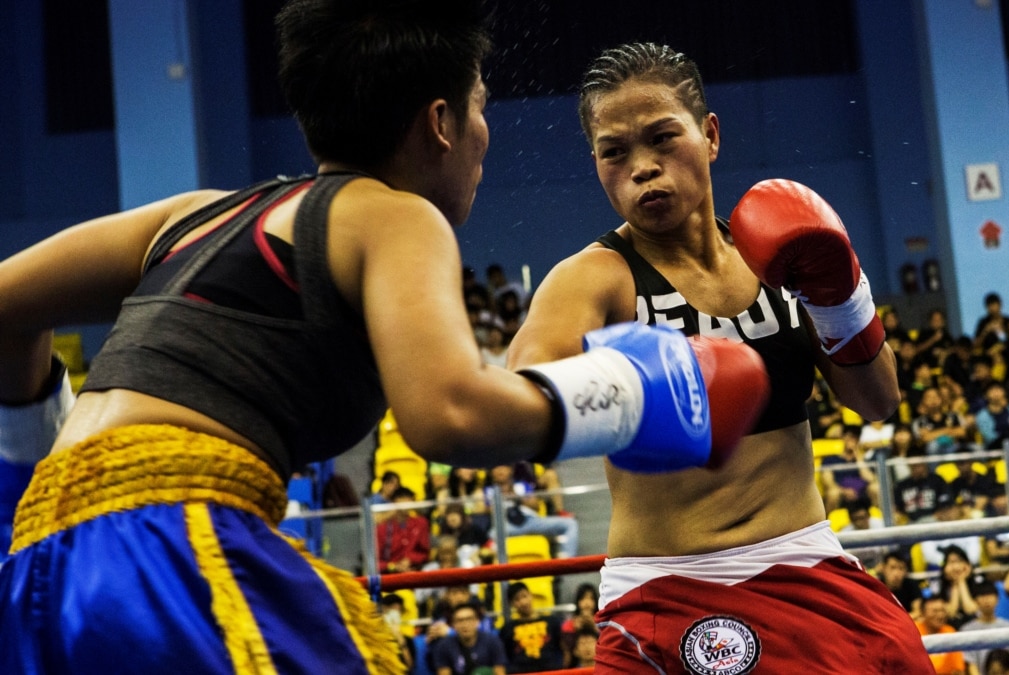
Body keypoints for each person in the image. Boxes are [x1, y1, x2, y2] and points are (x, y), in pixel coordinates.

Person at [0, 4, 766, 672]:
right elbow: (447, 414)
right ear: (440, 122)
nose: (484, 136)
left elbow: (7, 307)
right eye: (480, 107)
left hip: (34, 561)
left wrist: (50, 463)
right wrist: (640, 391)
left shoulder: (194, 214)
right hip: (168, 547)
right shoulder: (394, 213)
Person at [506, 42, 931, 673]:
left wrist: (841, 297)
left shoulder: (783, 254)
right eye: (614, 151)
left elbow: (876, 400)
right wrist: (640, 393)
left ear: (709, 135)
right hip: (668, 587)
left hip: (808, 563)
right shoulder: (594, 278)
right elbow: (518, 395)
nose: (642, 168)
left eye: (661, 138)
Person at [498, 581, 564, 673]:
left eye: (524, 596)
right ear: (511, 604)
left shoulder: (552, 622)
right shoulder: (507, 629)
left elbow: (564, 649)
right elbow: (504, 658)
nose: (523, 602)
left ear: (531, 596)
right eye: (517, 599)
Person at [959, 581, 1009, 674]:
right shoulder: (966, 630)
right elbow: (971, 665)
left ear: (997, 598)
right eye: (982, 596)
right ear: (975, 600)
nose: (987, 600)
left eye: (990, 595)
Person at [430, 603, 508, 675]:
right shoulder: (443, 646)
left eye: (469, 619)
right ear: (453, 624)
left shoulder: (493, 641)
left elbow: (500, 671)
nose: (465, 624)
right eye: (460, 621)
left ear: (477, 621)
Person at [376, 486, 432, 573]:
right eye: (402, 498)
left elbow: (424, 552)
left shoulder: (421, 523)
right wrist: (393, 566)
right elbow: (376, 561)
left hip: (415, 570)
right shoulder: (382, 528)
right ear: (394, 502)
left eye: (409, 499)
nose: (406, 502)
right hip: (390, 574)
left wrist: (410, 559)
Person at [916, 596, 968, 675]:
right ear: (923, 613)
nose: (940, 615)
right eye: (935, 611)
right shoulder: (913, 631)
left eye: (942, 611)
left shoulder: (950, 632)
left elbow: (958, 670)